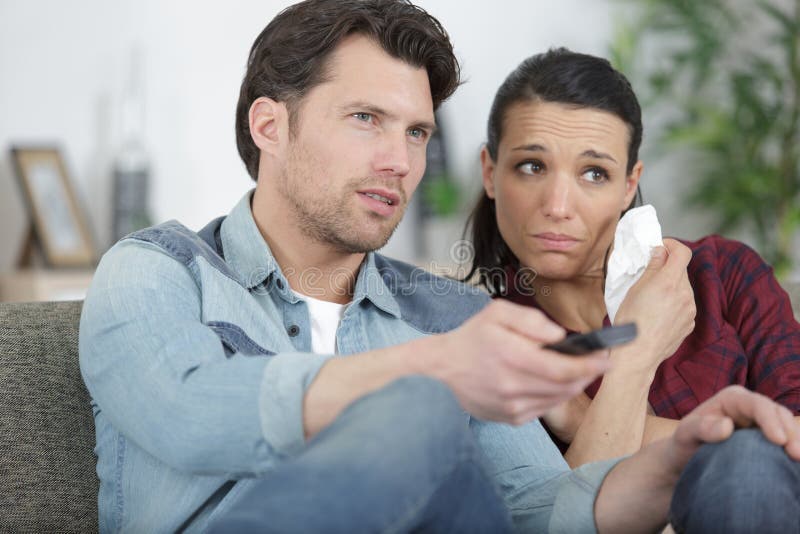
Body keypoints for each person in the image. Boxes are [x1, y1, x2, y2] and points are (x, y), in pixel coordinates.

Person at [79, 2, 800, 532]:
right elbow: (188, 412)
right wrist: (432, 372)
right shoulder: (157, 272)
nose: (400, 161)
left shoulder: (451, 316)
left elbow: (540, 509)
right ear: (270, 125)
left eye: (417, 132)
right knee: (417, 415)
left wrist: (676, 458)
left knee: (739, 462)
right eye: (366, 119)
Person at [463, 47, 800, 468]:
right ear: (490, 172)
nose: (558, 206)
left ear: (628, 185)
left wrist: (581, 419)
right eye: (532, 166)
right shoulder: (492, 341)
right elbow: (567, 507)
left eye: (594, 173)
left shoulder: (720, 273)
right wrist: (637, 355)